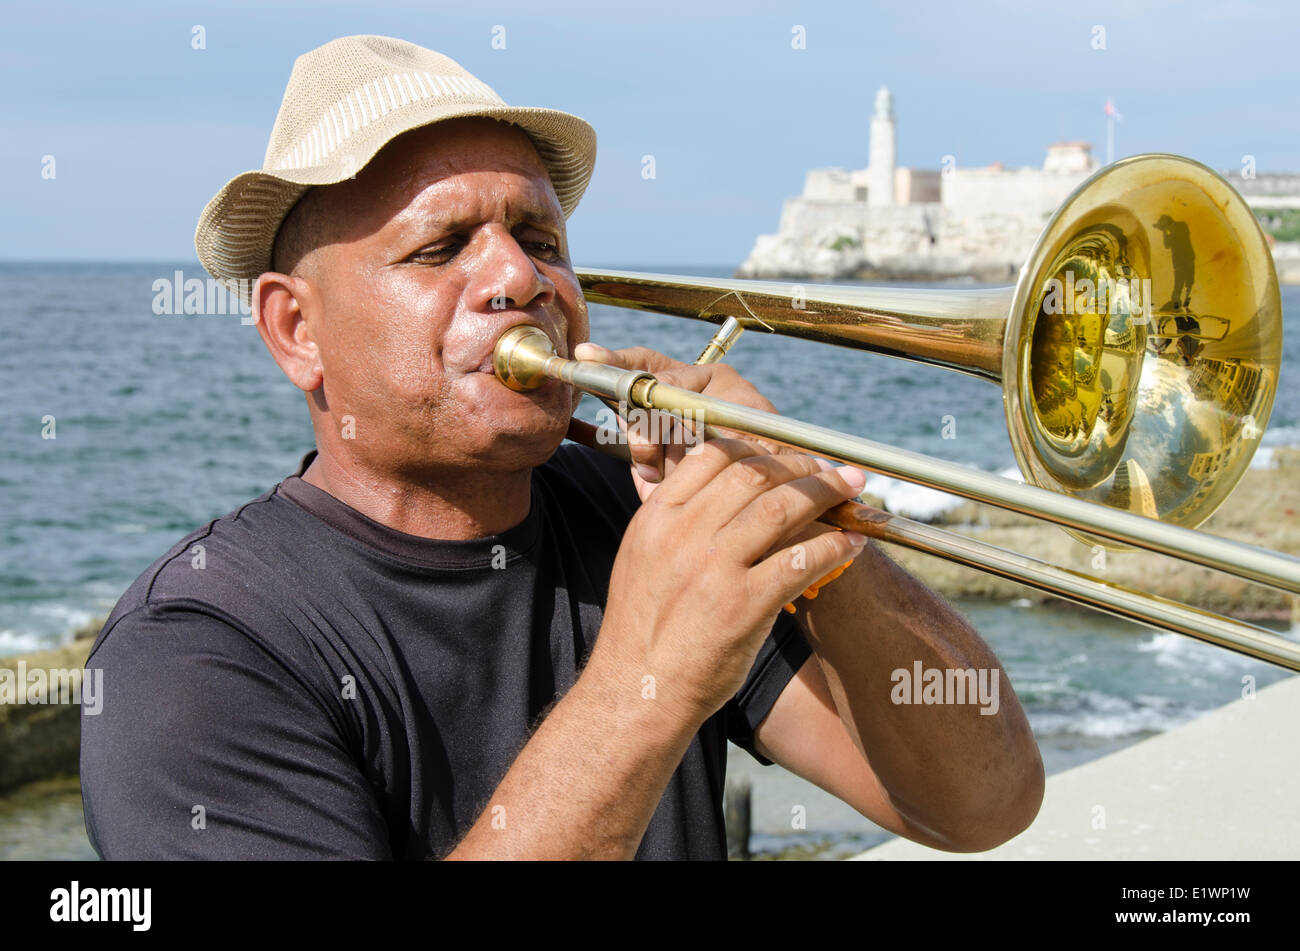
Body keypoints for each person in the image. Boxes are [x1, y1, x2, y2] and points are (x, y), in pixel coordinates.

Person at [80, 35, 1043, 860]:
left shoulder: (632, 517)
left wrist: (812, 524)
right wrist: (644, 676)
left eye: (540, 237)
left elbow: (978, 805)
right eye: (440, 246)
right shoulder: (192, 654)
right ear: (297, 329)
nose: (519, 275)